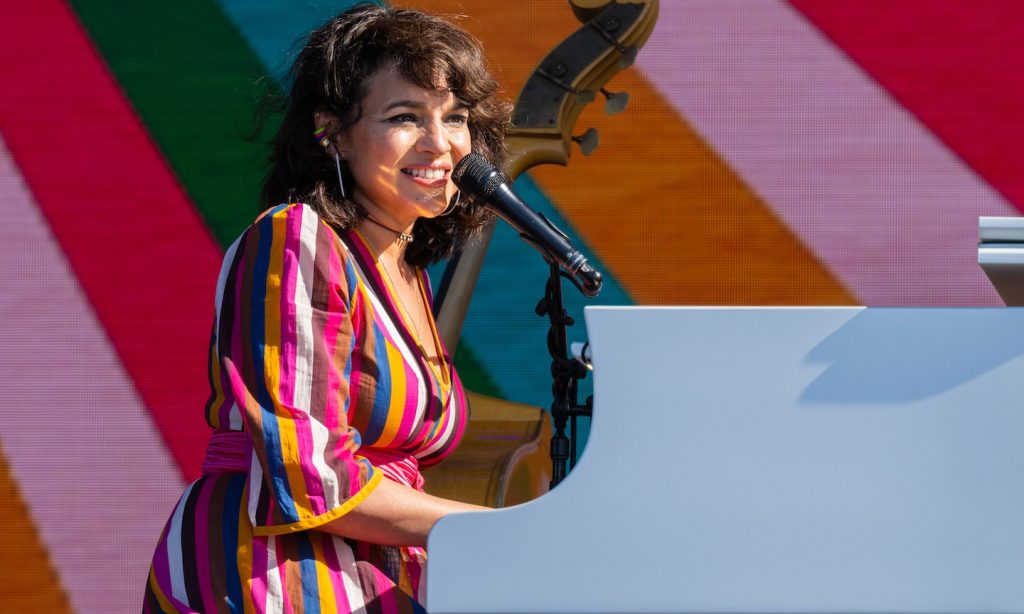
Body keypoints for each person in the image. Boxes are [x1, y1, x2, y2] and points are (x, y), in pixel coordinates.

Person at [143, 4, 509, 612]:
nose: (441, 144)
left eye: (456, 118)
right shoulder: (298, 239)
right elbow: (314, 480)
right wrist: (502, 532)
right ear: (331, 130)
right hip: (275, 574)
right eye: (404, 117)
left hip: (371, 571)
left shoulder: (405, 267)